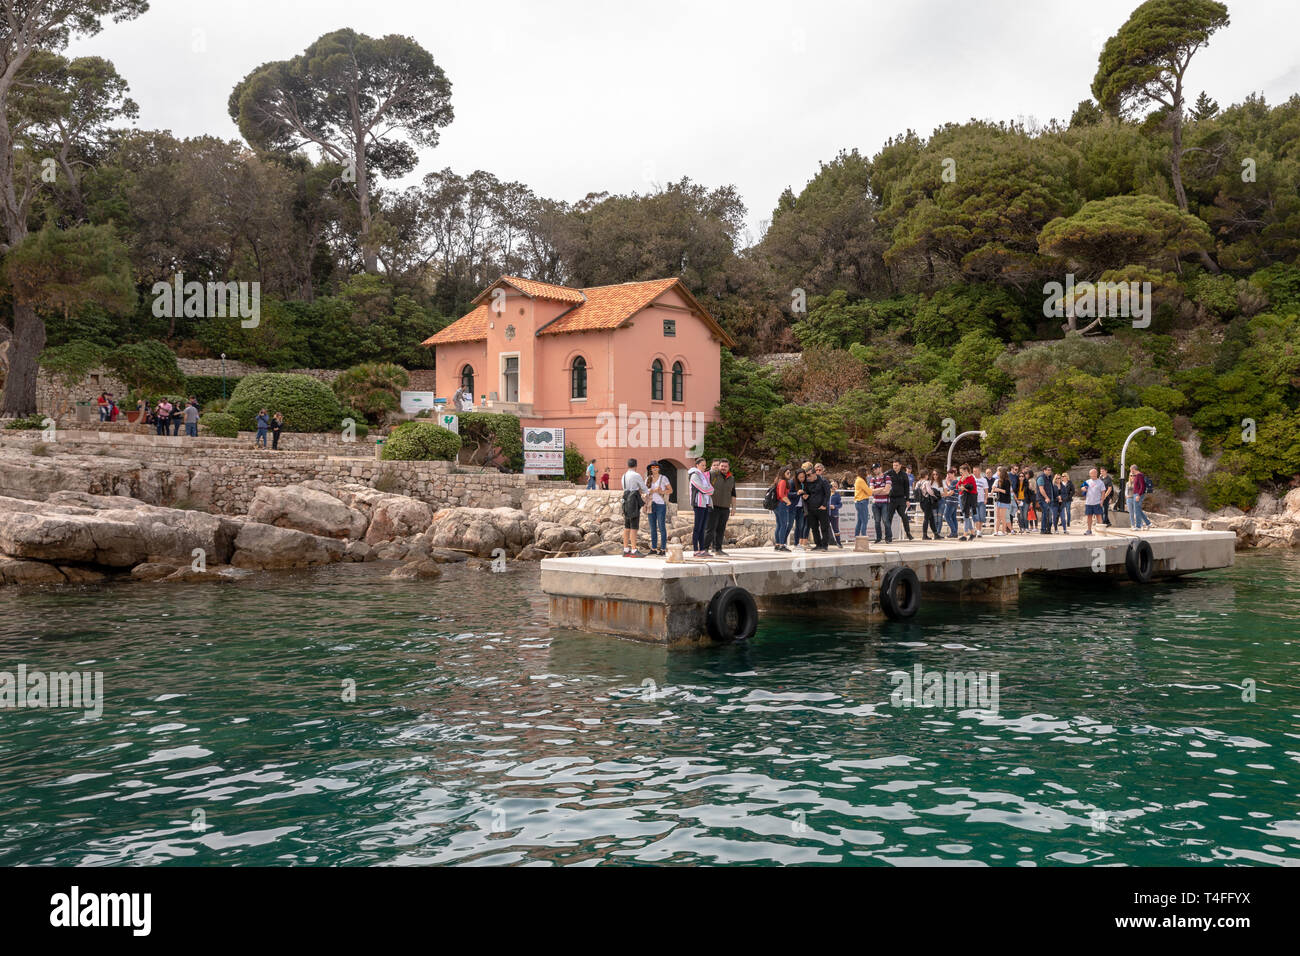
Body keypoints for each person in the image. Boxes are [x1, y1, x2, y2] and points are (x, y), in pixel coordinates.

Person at [620, 457, 649, 557]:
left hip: (625, 501)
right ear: (636, 466)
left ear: (628, 465)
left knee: (627, 526)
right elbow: (644, 488)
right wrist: (648, 494)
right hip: (633, 501)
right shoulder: (636, 475)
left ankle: (625, 549)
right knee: (634, 527)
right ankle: (634, 550)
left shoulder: (623, 476)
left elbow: (624, 488)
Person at [707, 458, 736, 555]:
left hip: (725, 508)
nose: (723, 468)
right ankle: (705, 549)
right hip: (713, 506)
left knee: (721, 529)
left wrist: (734, 507)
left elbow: (733, 493)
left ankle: (717, 549)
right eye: (722, 466)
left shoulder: (731, 478)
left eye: (725, 466)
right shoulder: (713, 474)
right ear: (718, 466)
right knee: (710, 529)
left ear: (729, 467)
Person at [687, 457, 714, 557]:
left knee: (703, 527)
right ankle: (695, 550)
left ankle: (702, 549)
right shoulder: (694, 475)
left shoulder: (704, 476)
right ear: (697, 465)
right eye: (702, 465)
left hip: (706, 503)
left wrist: (709, 490)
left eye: (705, 465)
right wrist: (709, 490)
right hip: (698, 504)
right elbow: (702, 488)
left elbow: (711, 487)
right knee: (697, 527)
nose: (704, 467)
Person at [803, 464, 832, 550]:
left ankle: (825, 545)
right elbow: (807, 493)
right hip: (811, 508)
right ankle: (818, 544)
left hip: (821, 508)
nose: (807, 477)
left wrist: (824, 505)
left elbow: (827, 494)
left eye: (809, 475)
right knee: (814, 528)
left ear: (814, 473)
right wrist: (805, 496)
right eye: (806, 475)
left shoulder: (823, 481)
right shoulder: (807, 482)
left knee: (824, 527)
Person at [646, 461, 671, 555]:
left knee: (661, 527)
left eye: (656, 466)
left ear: (659, 468)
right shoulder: (648, 479)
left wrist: (661, 491)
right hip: (650, 504)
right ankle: (653, 548)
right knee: (652, 528)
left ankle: (663, 549)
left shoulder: (663, 478)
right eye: (653, 467)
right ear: (651, 469)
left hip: (661, 504)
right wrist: (650, 490)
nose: (655, 468)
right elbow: (644, 491)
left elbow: (670, 490)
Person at [885, 459, 914, 541]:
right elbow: (882, 479)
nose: (895, 467)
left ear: (900, 466)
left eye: (896, 465)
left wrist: (907, 499)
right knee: (889, 517)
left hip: (901, 499)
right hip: (892, 499)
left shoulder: (904, 475)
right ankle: (888, 536)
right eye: (894, 465)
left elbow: (907, 488)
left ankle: (908, 533)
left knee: (904, 516)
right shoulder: (889, 473)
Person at [869, 464, 892, 543]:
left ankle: (888, 538)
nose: (875, 470)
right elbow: (871, 492)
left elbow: (887, 491)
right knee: (877, 521)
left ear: (880, 468)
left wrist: (877, 491)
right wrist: (882, 488)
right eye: (873, 469)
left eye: (876, 468)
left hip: (885, 503)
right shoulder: (873, 479)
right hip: (875, 503)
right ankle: (878, 538)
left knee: (885, 520)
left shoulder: (887, 477)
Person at [1081, 467, 1106, 535]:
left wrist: (1102, 501)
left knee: (1099, 516)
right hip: (1088, 502)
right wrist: (1083, 488)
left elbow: (1103, 492)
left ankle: (1101, 530)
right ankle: (1089, 530)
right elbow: (1082, 488)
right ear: (1090, 474)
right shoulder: (1087, 481)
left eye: (1094, 473)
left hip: (1097, 502)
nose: (1093, 474)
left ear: (1096, 473)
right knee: (1089, 517)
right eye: (1091, 473)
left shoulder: (1100, 482)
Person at [774, 466, 794, 552]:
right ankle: (782, 545)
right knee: (783, 525)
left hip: (777, 505)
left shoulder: (778, 481)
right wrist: (788, 502)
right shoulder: (782, 482)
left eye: (790, 473)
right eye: (788, 473)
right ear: (783, 473)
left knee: (779, 524)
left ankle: (778, 544)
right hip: (781, 504)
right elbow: (781, 495)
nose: (789, 475)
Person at [917, 470, 941, 540]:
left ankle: (936, 534)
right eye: (927, 475)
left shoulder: (918, 483)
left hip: (921, 502)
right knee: (926, 518)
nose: (928, 476)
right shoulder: (926, 482)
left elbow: (916, 490)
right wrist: (935, 495)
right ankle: (924, 535)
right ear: (925, 475)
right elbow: (929, 491)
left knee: (931, 518)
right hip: (927, 502)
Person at [957, 464, 979, 541]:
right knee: (965, 516)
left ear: (966, 471)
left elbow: (973, 489)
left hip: (969, 498)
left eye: (962, 472)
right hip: (962, 497)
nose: (961, 474)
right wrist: (962, 480)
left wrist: (964, 488)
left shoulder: (971, 478)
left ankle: (965, 534)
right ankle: (972, 533)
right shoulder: (962, 478)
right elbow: (957, 486)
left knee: (966, 516)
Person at [992, 466, 1012, 535]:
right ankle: (996, 531)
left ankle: (1003, 531)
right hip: (999, 500)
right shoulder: (998, 480)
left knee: (1002, 517)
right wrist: (995, 489)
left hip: (1004, 501)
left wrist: (999, 489)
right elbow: (994, 489)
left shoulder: (1007, 481)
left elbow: (1007, 492)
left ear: (1001, 472)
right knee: (998, 517)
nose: (997, 472)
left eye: (998, 471)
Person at [853, 466, 871, 539]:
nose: (867, 473)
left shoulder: (858, 480)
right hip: (862, 502)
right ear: (863, 472)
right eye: (866, 471)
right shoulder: (860, 480)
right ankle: (863, 538)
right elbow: (869, 492)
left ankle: (856, 538)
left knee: (860, 521)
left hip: (859, 502)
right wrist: (877, 490)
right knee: (864, 521)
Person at [941, 467, 960, 539]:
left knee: (946, 516)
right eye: (948, 475)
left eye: (949, 474)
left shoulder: (954, 482)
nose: (948, 476)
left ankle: (954, 532)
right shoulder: (956, 481)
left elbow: (951, 492)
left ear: (953, 474)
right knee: (953, 517)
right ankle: (955, 532)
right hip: (955, 502)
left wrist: (944, 494)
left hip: (951, 502)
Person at [1036, 466, 1055, 534]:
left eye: (1050, 470)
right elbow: (1041, 489)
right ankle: (1043, 529)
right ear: (1044, 470)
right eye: (1048, 470)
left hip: (1050, 499)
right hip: (1043, 499)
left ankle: (1048, 529)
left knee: (1049, 514)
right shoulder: (1041, 478)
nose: (1050, 471)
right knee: (1046, 513)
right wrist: (1046, 497)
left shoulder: (1049, 478)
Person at [830, 478, 846, 547]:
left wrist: (834, 506)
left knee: (836, 529)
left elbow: (840, 504)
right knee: (825, 528)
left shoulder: (837, 495)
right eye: (832, 486)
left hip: (834, 514)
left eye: (835, 486)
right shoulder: (826, 494)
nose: (833, 487)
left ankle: (838, 542)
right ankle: (827, 541)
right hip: (826, 514)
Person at [973, 466, 989, 537]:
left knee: (982, 517)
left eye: (976, 471)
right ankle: (978, 531)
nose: (974, 473)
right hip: (974, 501)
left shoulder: (984, 480)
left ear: (979, 471)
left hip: (981, 501)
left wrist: (986, 499)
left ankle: (979, 530)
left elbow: (986, 490)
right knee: (976, 517)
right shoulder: (972, 479)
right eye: (973, 471)